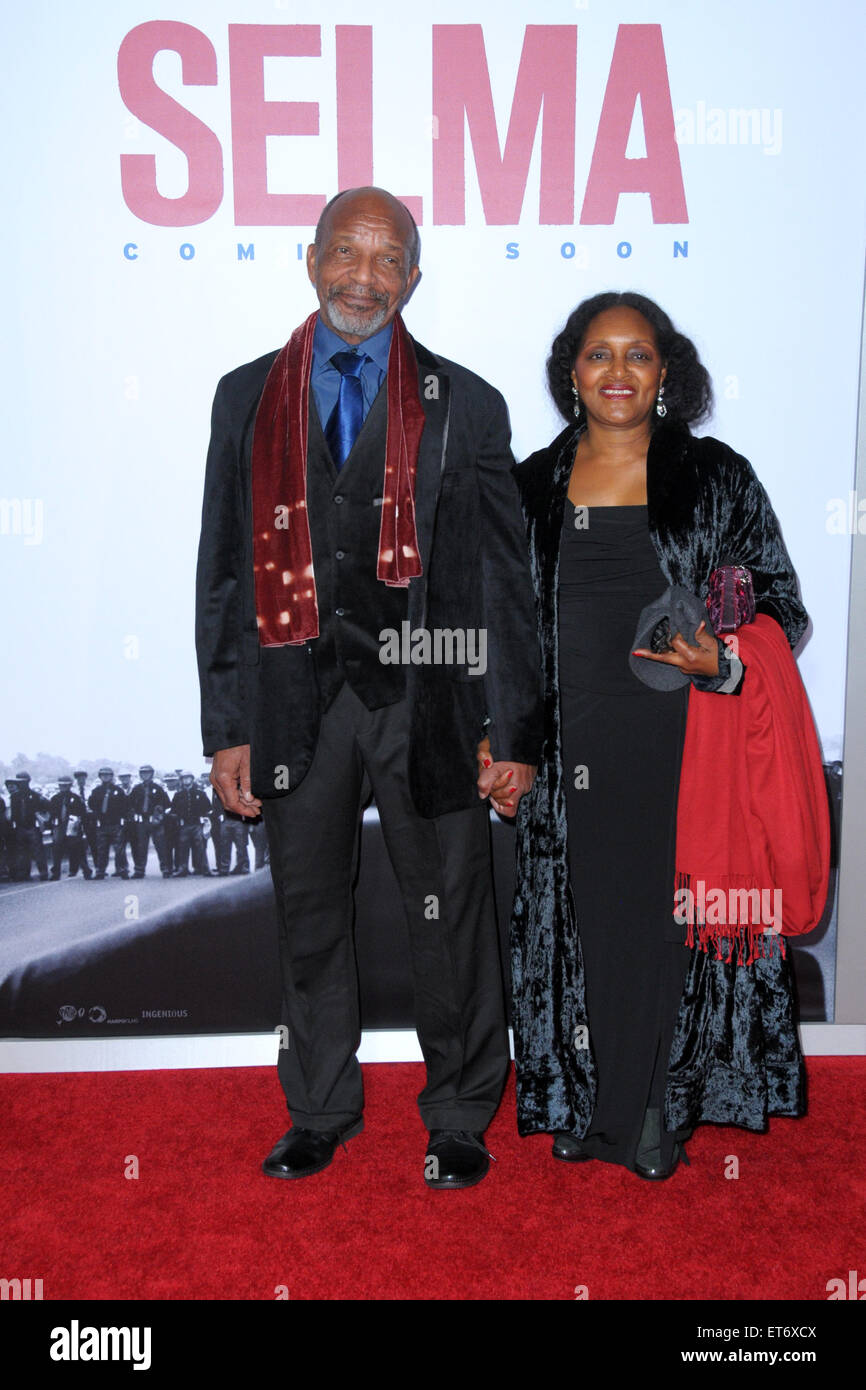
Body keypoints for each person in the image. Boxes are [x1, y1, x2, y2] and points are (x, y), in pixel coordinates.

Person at [196, 185, 542, 1187]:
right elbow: (223, 569)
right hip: (293, 701)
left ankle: (459, 1114)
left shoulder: (462, 403)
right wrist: (227, 724)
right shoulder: (244, 395)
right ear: (310, 261)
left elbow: (498, 580)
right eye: (345, 254)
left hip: (429, 698)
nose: (364, 275)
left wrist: (508, 727)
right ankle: (318, 1109)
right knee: (308, 912)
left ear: (412, 277)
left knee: (449, 913)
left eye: (386, 259)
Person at [510, 291, 811, 1179]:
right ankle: (591, 1101)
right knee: (580, 922)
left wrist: (723, 659)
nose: (617, 373)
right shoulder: (529, 486)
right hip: (569, 747)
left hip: (686, 746)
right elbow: (502, 632)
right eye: (598, 355)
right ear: (571, 373)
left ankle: (654, 1108)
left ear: (666, 374)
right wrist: (506, 740)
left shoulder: (716, 478)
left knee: (662, 921)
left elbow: (781, 608)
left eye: (637, 356)